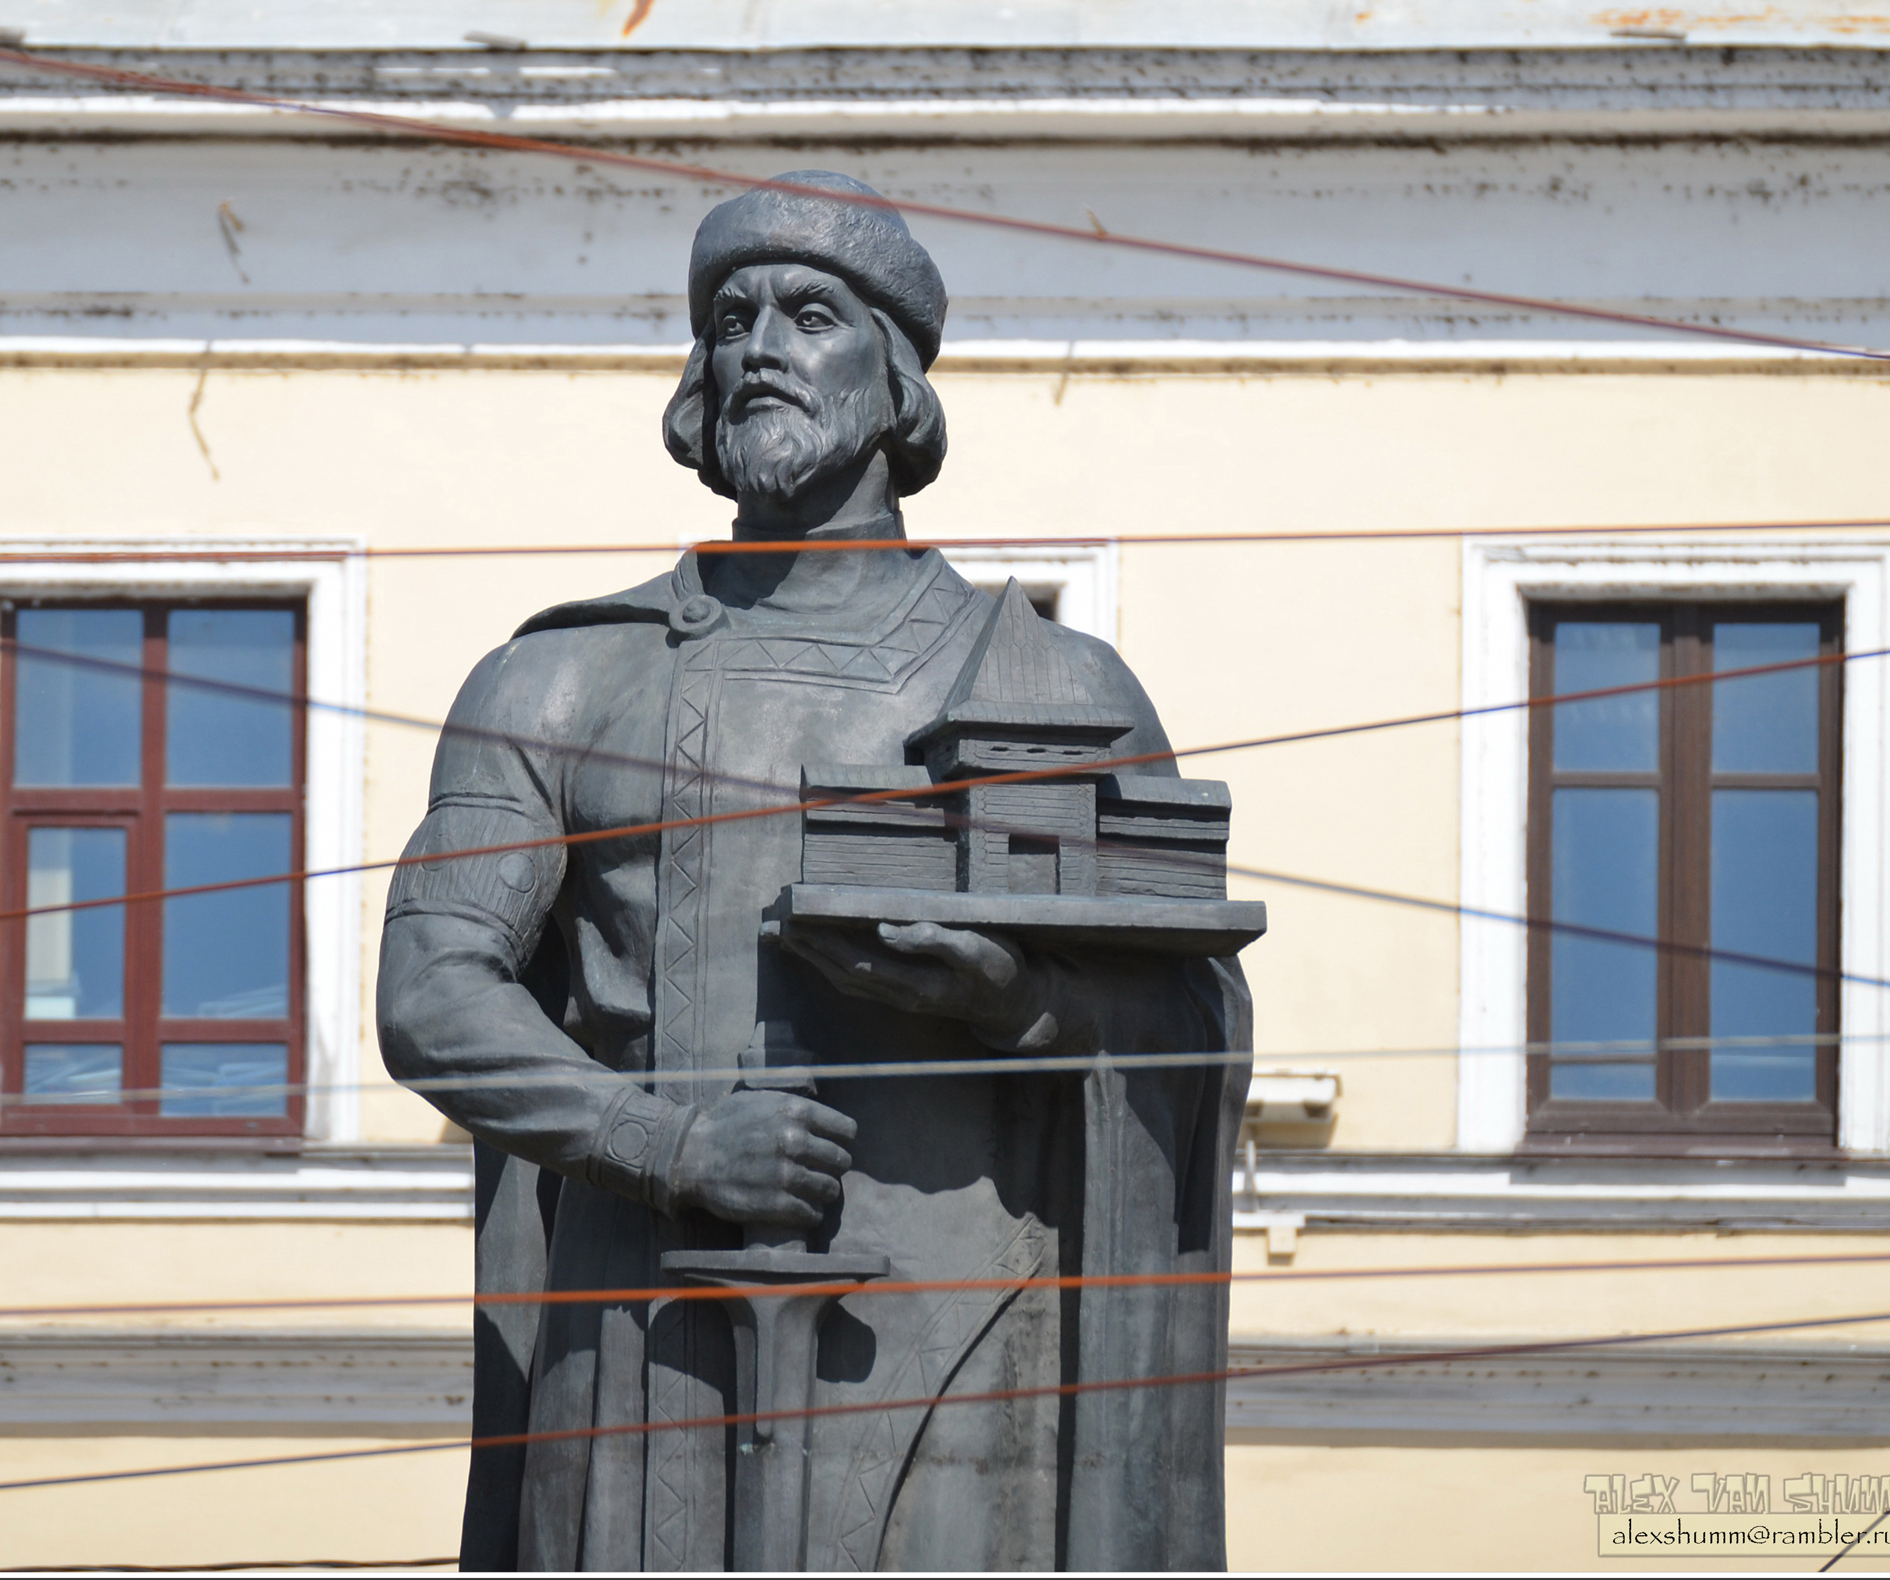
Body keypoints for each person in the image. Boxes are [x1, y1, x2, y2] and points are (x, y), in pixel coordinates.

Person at [379, 171, 1249, 1571]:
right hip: (640, 1360)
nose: (761, 344)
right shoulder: (554, 679)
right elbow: (429, 991)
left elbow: (1190, 1029)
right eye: (732, 318)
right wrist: (661, 1140)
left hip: (960, 1376)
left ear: (900, 380)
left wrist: (1017, 1002)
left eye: (812, 312)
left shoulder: (1051, 687)